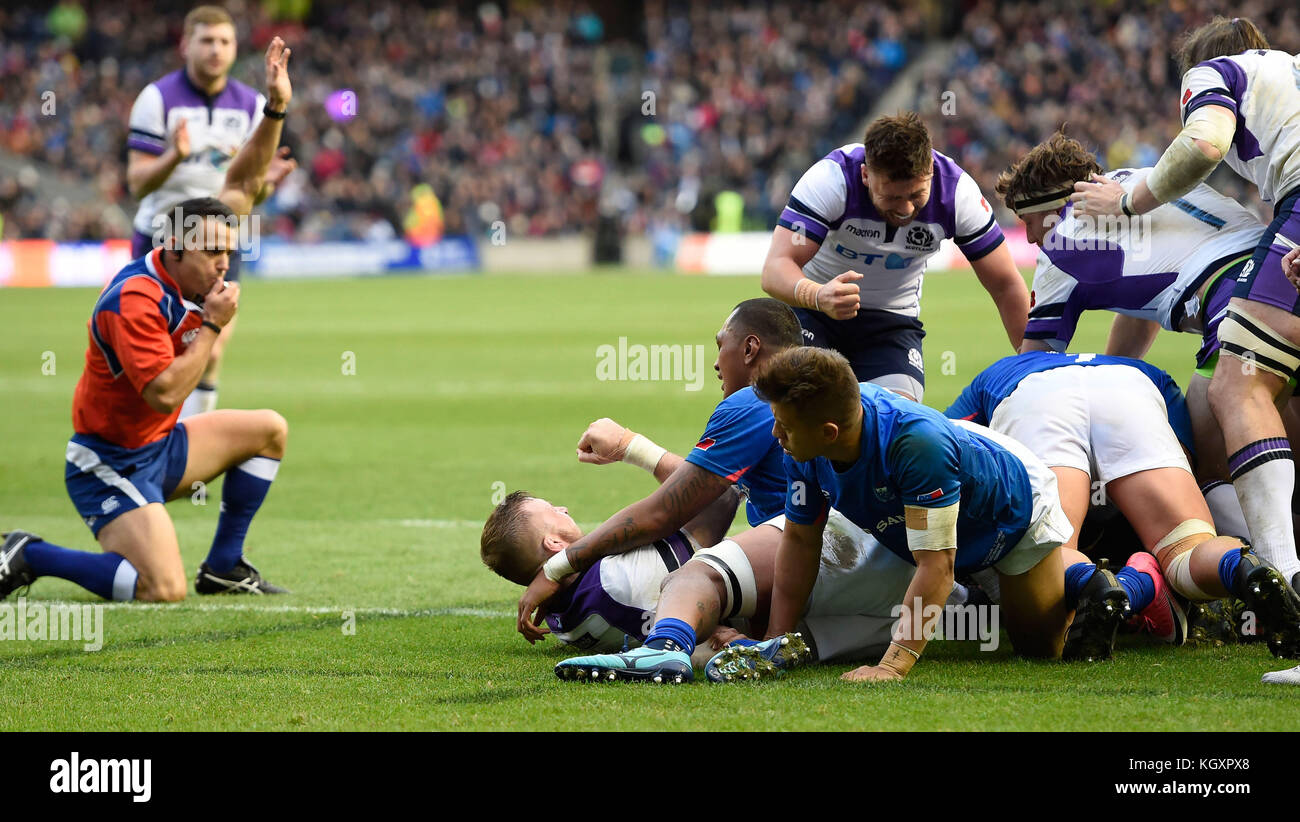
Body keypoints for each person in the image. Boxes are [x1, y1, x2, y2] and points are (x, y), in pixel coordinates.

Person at [0, 37, 295, 603]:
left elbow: (241, 182)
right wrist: (210, 326)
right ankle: (29, 552)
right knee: (162, 590)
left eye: (228, 252)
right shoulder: (135, 297)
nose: (224, 262)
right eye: (213, 252)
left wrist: (276, 107)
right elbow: (163, 394)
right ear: (177, 249)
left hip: (159, 448)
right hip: (105, 462)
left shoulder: (195, 264)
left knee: (270, 431)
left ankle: (225, 565)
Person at [1072, 17, 1300, 592]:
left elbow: (1204, 143)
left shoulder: (1216, 74)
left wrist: (1127, 201)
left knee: (1235, 388)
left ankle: (1284, 580)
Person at [995, 130, 1264, 546]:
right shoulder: (1142, 179)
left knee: (1209, 466)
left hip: (1236, 306)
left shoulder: (1060, 245)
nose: (1030, 238)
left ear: (1048, 210)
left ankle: (1274, 574)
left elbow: (1032, 363)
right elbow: (1143, 312)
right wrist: (1111, 381)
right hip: (1282, 276)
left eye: (1027, 223)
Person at [749, 346, 1076, 683]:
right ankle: (978, 595)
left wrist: (891, 666)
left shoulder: (916, 445)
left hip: (1010, 512)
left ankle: (1117, 581)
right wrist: (776, 641)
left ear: (829, 432)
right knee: (944, 567)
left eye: (784, 426)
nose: (776, 434)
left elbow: (936, 565)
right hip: (931, 510)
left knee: (1042, 650)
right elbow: (800, 540)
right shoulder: (803, 446)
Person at [946, 351, 1300, 660]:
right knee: (1187, 546)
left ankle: (1107, 586)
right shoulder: (1146, 370)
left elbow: (944, 448)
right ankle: (1243, 568)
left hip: (1034, 399)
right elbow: (1187, 456)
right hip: (1130, 391)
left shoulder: (997, 371)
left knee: (1053, 548)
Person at [482, 491, 964, 682]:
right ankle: (668, 647)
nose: (566, 509)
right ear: (552, 541)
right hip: (798, 582)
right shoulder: (617, 575)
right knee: (701, 572)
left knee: (913, 615)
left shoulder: (566, 625)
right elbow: (705, 506)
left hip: (811, 626)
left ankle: (712, 652)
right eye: (554, 510)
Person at [760, 111, 1028, 402]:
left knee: (895, 420)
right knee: (807, 409)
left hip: (891, 324)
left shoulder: (957, 195)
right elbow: (776, 267)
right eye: (892, 197)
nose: (906, 210)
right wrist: (818, 295)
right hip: (813, 312)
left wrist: (1034, 366)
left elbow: (1005, 284)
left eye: (916, 195)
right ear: (865, 175)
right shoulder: (831, 180)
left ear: (931, 173)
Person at [126, 5, 296, 420]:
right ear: (186, 45)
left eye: (224, 41)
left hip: (223, 239)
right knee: (156, 352)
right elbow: (137, 182)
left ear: (236, 48)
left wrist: (268, 183)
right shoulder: (157, 98)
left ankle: (192, 450)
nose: (215, 50)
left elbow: (248, 193)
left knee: (211, 345)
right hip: (163, 236)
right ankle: (147, 443)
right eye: (206, 40)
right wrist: (174, 156)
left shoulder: (253, 104)